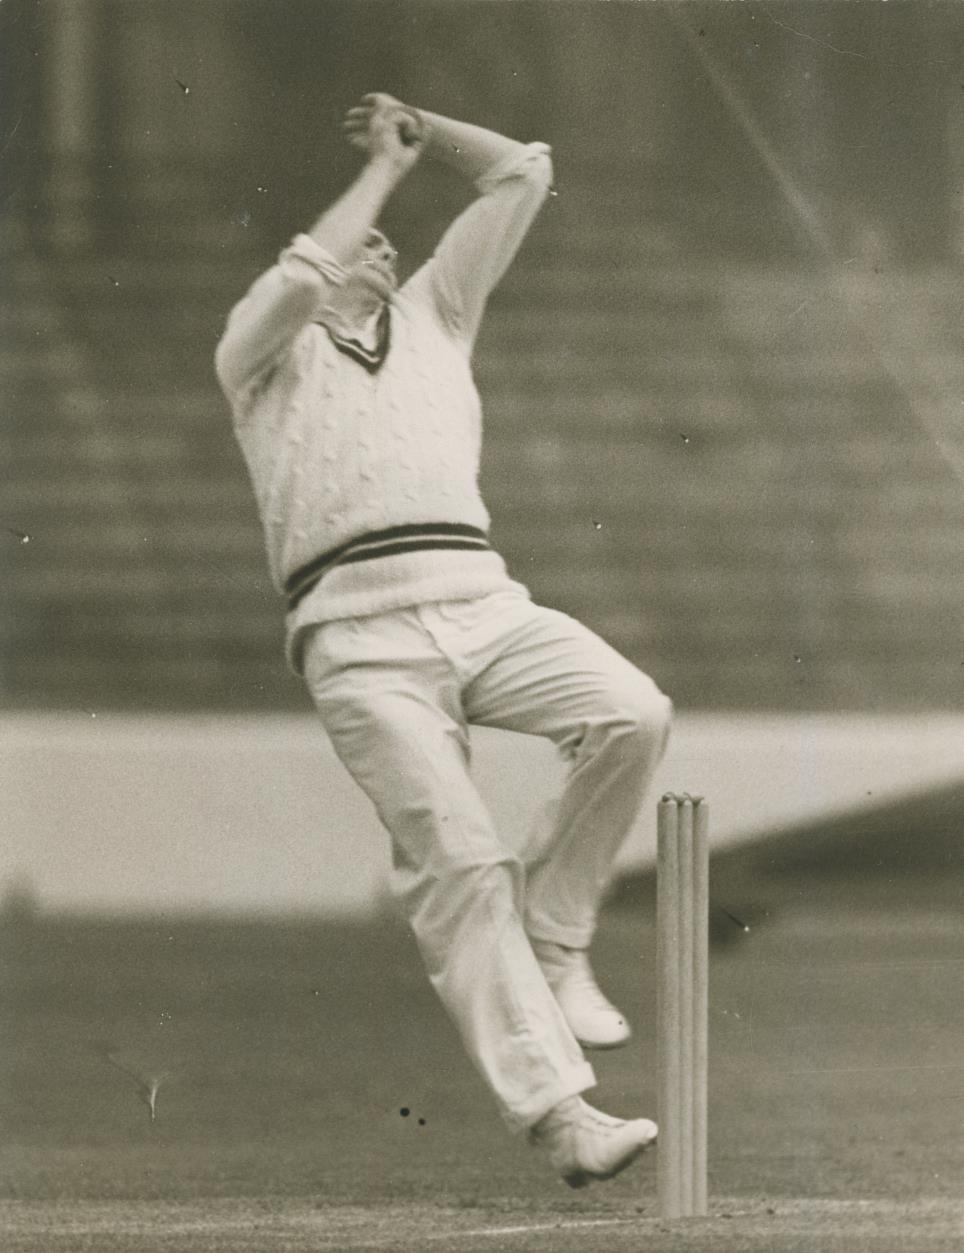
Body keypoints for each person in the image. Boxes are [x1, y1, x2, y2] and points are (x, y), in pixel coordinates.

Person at [215, 93, 672, 1188]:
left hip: (478, 597)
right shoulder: (259, 360)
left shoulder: (438, 315)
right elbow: (296, 280)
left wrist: (415, 129)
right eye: (353, 241)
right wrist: (375, 176)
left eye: (384, 239)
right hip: (358, 639)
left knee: (631, 709)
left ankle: (557, 938)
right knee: (459, 863)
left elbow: (520, 172)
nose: (375, 249)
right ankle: (561, 1112)